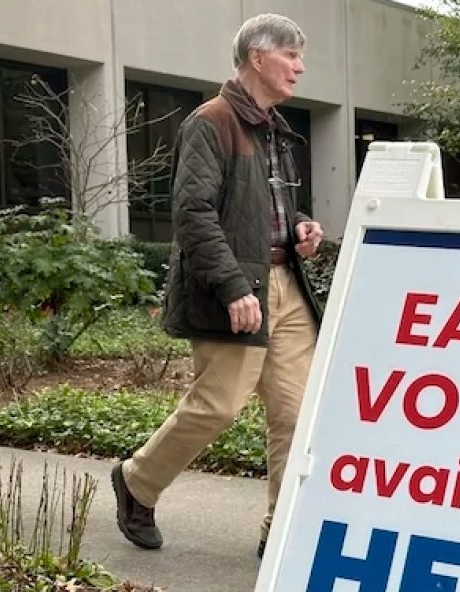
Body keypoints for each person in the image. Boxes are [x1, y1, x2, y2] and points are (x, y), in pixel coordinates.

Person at [112, 13, 325, 559]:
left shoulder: (275, 129)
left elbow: (265, 208)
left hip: (286, 284)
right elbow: (193, 214)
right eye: (291, 55)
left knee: (297, 413)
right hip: (237, 287)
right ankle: (137, 481)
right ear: (258, 56)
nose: (300, 67)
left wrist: (300, 226)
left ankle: (281, 529)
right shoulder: (211, 122)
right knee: (218, 405)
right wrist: (233, 287)